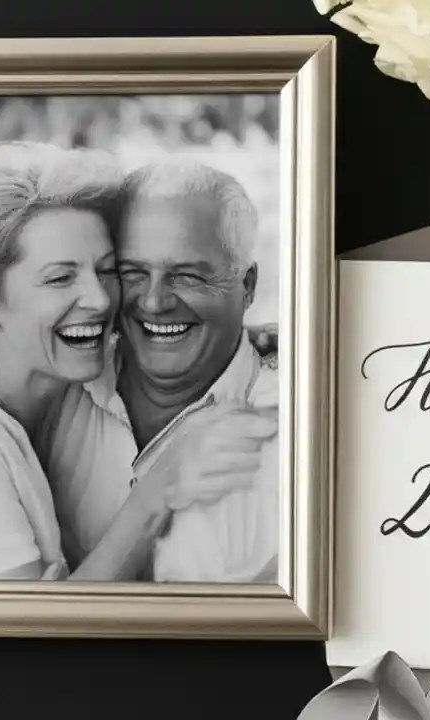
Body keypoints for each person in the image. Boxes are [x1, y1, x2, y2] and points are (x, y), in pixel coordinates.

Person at [0, 142, 271, 581]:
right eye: (60, 277)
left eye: (107, 271)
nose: (98, 299)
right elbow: (35, 643)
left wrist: (263, 334)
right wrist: (157, 491)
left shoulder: (52, 394)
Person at [43, 159, 279, 582]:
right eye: (133, 274)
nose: (153, 302)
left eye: (186, 276)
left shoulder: (292, 434)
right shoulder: (57, 388)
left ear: (247, 286)